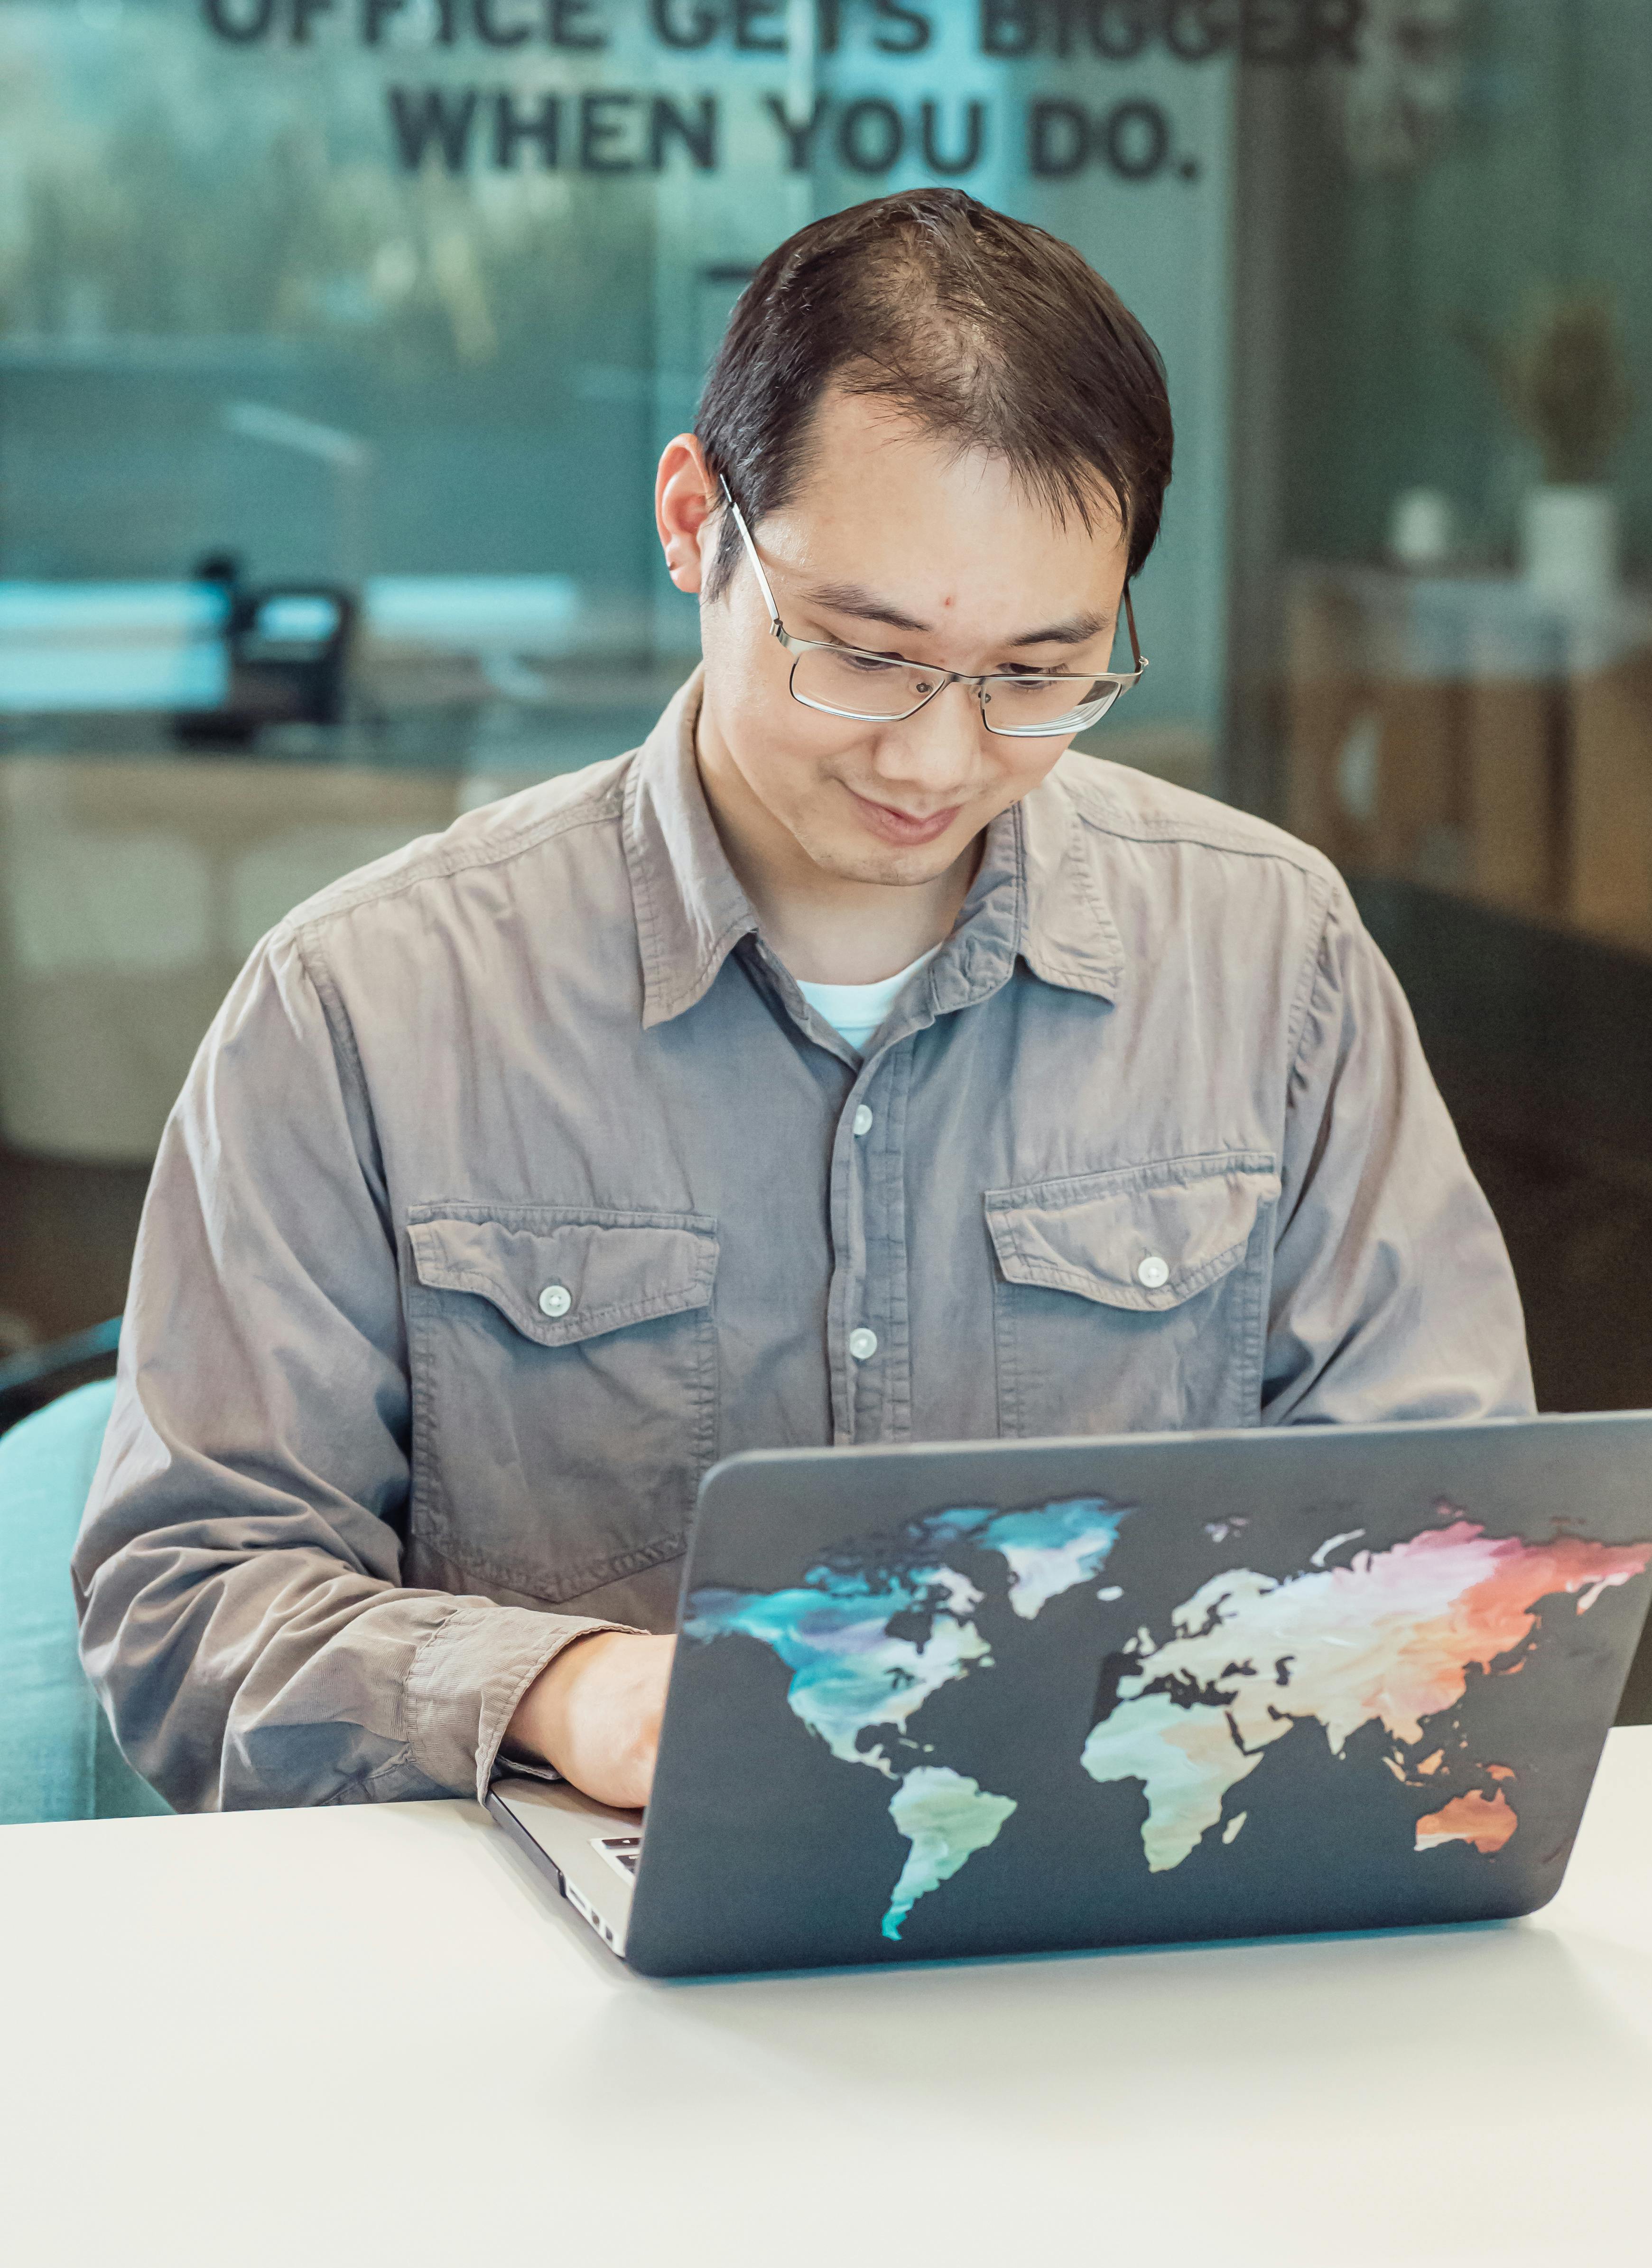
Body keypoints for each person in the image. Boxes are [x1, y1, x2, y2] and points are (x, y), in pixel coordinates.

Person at [75, 188, 1531, 1817]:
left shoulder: (1272, 958)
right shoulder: (368, 1004)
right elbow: (188, 1600)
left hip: (1135, 1888)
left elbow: (1449, 1539)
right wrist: (568, 1692)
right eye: (864, 651)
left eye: (1038, 674)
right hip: (563, 1918)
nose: (936, 757)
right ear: (694, 520)